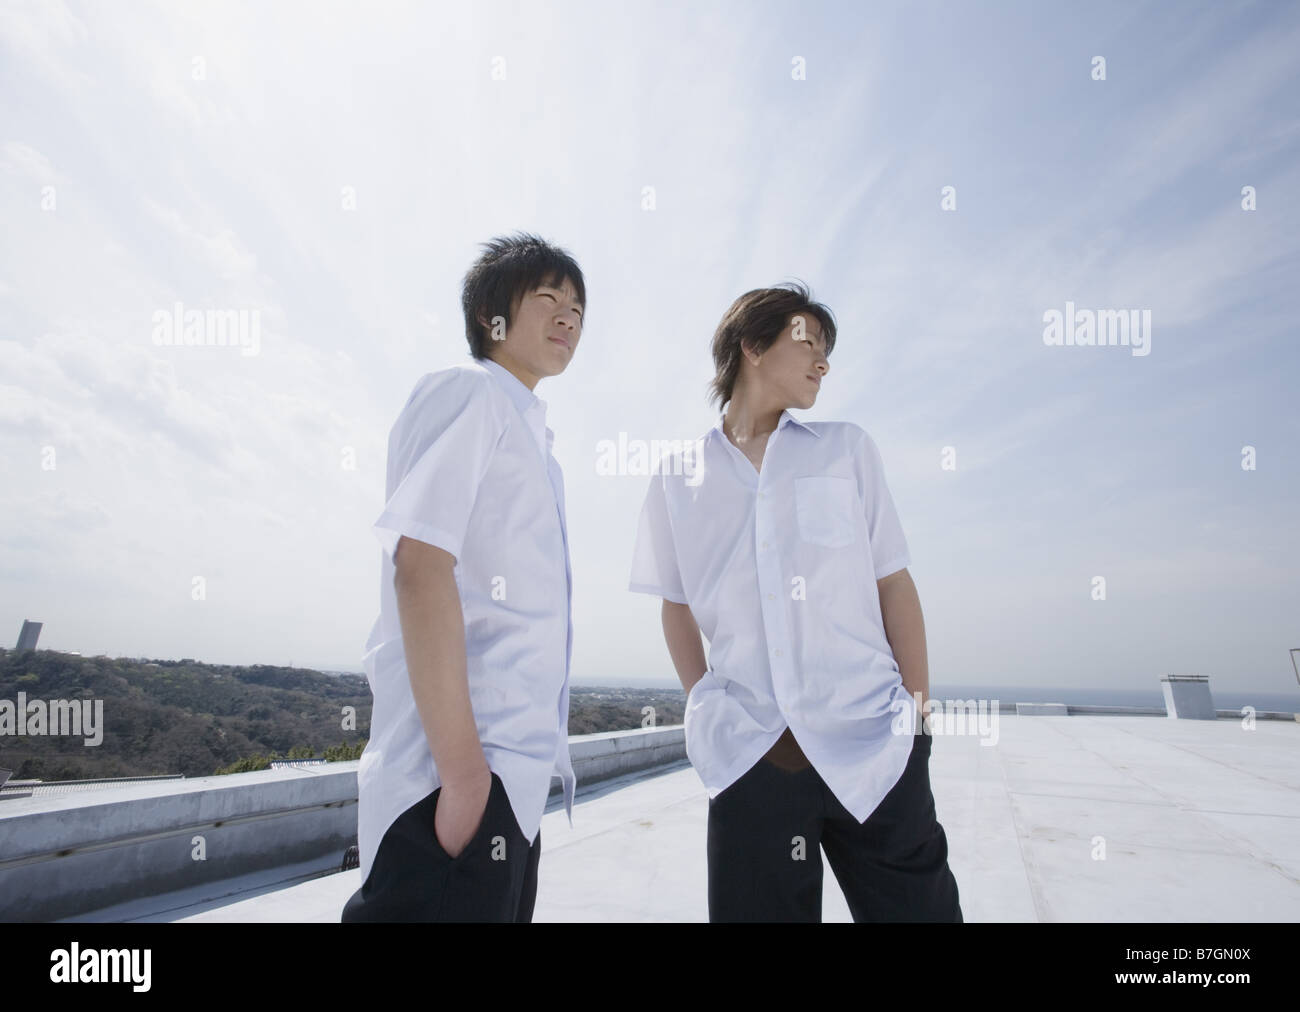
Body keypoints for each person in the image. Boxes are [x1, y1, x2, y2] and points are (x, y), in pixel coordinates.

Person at [628, 281, 962, 922]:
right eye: (809, 341)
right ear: (752, 345)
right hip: (751, 755)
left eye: (828, 350)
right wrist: (704, 702)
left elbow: (893, 581)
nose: (823, 362)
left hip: (873, 743)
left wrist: (915, 719)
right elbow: (674, 602)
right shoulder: (678, 476)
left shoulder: (847, 450)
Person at [342, 232, 585, 922]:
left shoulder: (534, 436)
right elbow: (418, 565)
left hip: (508, 784)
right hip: (458, 781)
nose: (569, 317)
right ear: (491, 316)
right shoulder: (470, 393)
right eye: (549, 299)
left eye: (577, 306)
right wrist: (464, 777)